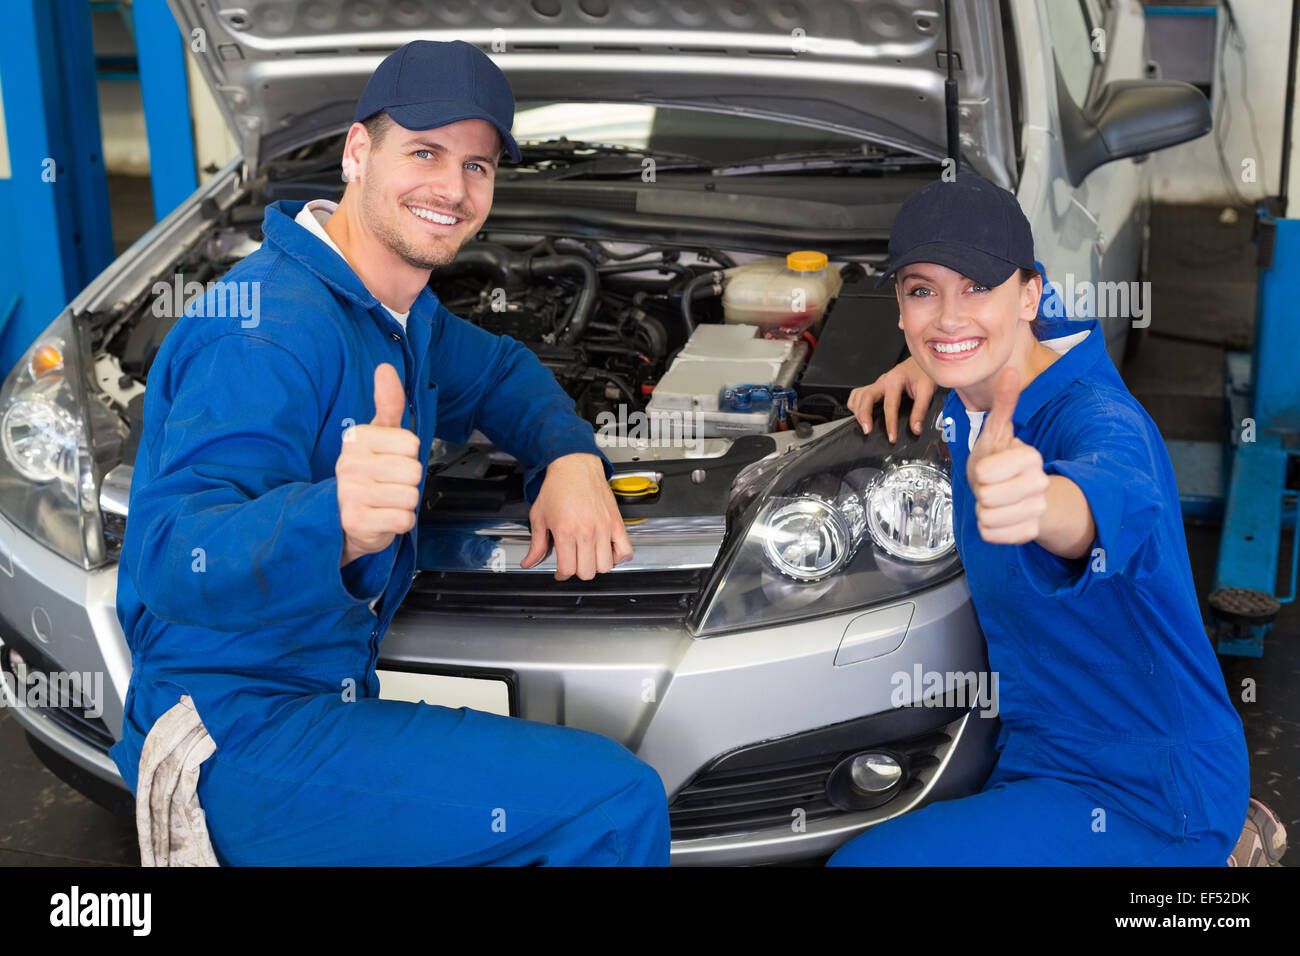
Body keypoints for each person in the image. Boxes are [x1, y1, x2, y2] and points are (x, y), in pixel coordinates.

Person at [108, 40, 670, 866]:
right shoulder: (265, 333)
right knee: (615, 804)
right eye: (425, 152)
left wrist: (570, 456)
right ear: (357, 153)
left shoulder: (391, 306)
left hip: (313, 695)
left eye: (477, 166)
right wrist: (329, 520)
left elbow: (503, 371)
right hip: (236, 728)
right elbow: (169, 553)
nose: (452, 188)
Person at [828, 172, 1249, 865]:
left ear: (1027, 293)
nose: (948, 314)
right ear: (900, 309)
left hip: (1147, 791)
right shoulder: (1002, 361)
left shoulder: (1099, 421)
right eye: (922, 291)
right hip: (1036, 745)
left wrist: (1043, 502)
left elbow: (1107, 498)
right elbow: (980, 327)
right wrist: (933, 362)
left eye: (976, 287)